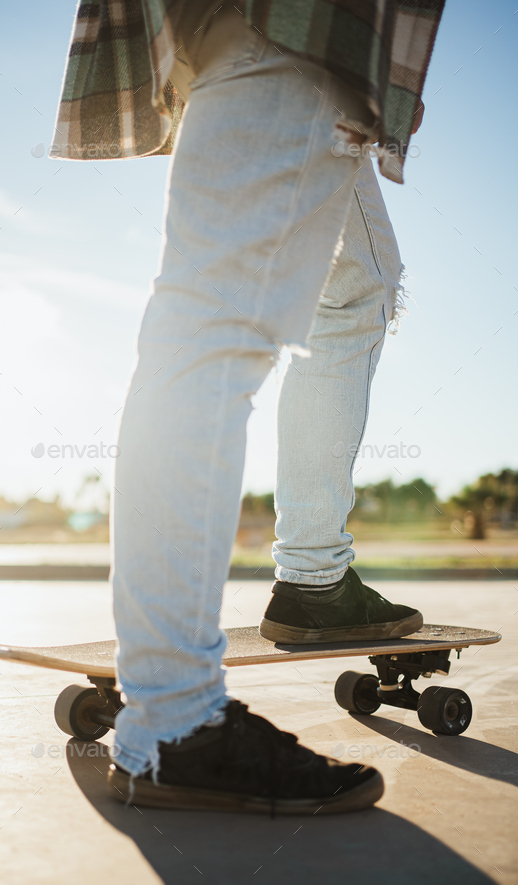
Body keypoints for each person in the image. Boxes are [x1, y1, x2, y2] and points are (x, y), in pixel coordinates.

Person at [52, 0, 444, 815]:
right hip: (288, 26)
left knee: (354, 290)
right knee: (213, 319)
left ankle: (313, 579)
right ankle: (174, 720)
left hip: (276, 32)